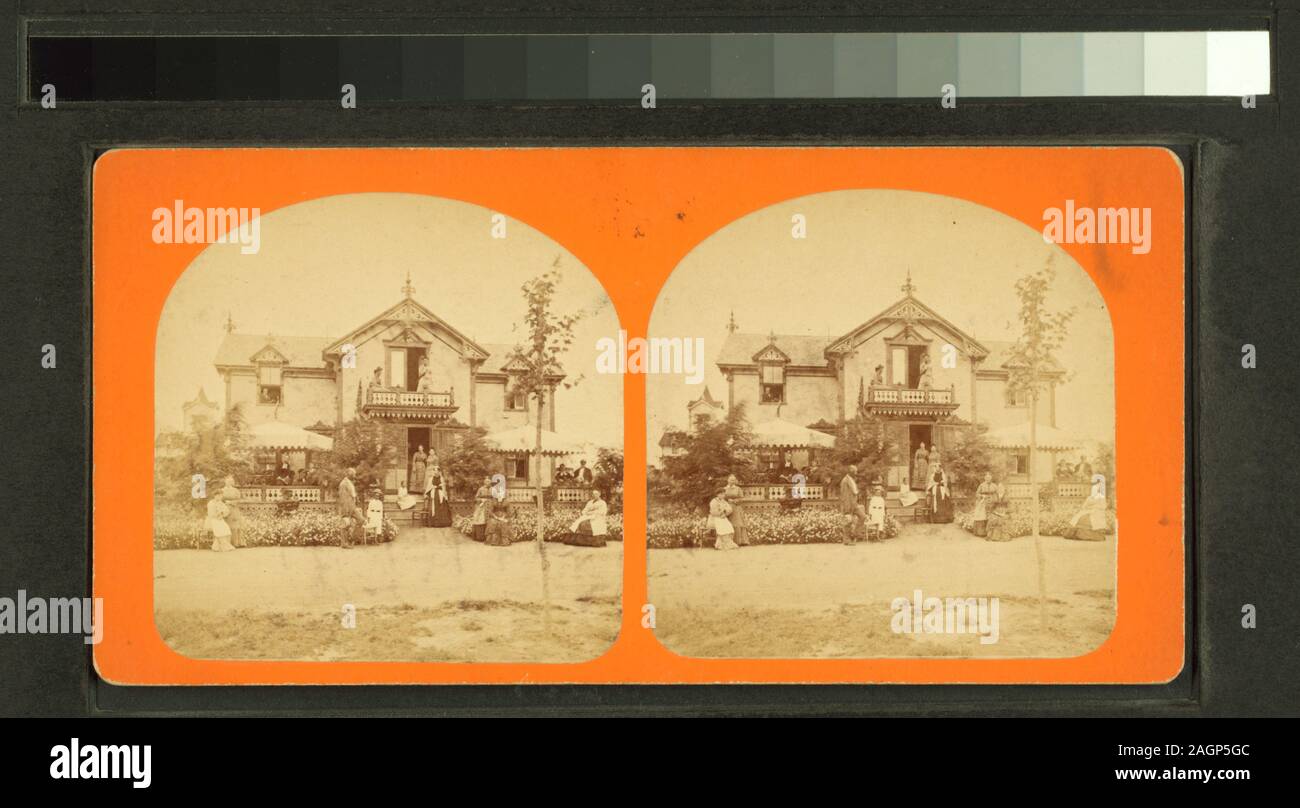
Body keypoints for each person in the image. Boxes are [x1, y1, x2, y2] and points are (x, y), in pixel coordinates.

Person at [839, 465, 864, 545]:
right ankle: (847, 540)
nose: (856, 473)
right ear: (851, 472)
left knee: (863, 516)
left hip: (854, 504)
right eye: (855, 472)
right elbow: (845, 496)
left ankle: (855, 534)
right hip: (848, 505)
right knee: (848, 522)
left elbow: (854, 492)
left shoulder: (851, 480)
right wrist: (847, 509)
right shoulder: (845, 481)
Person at [336, 467, 361, 549]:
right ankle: (344, 543)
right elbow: (343, 498)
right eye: (353, 474)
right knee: (345, 524)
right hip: (346, 507)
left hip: (352, 506)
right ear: (348, 474)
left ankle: (354, 538)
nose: (354, 476)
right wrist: (346, 510)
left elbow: (353, 494)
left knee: (361, 520)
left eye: (354, 474)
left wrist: (356, 501)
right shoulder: (343, 484)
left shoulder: (350, 482)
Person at [220, 476, 245, 548]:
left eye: (230, 481)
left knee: (235, 526)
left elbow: (239, 500)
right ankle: (227, 543)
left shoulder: (235, 491)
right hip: (225, 510)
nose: (228, 483)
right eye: (227, 481)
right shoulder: (222, 490)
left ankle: (236, 543)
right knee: (226, 526)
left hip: (234, 509)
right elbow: (219, 500)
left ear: (232, 482)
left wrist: (231, 502)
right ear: (225, 482)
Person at [723, 473, 748, 546]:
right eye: (731, 480)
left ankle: (739, 541)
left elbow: (742, 498)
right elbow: (721, 498)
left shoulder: (738, 489)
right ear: (727, 480)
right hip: (726, 508)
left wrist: (734, 501)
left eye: (733, 480)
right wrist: (726, 502)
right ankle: (728, 541)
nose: (732, 481)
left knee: (737, 523)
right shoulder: (724, 489)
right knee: (727, 524)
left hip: (736, 508)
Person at [972, 472, 999, 537]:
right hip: (983, 502)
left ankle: (991, 532)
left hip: (992, 502)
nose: (988, 479)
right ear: (985, 478)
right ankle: (982, 532)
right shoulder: (981, 485)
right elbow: (977, 494)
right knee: (983, 515)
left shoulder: (994, 486)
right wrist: (982, 496)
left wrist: (995, 499)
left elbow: (998, 493)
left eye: (989, 477)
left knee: (992, 515)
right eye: (987, 477)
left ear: (991, 478)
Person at [470, 476, 492, 542]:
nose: (488, 483)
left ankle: (490, 537)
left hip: (491, 505)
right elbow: (476, 498)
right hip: (482, 506)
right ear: (484, 482)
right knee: (481, 520)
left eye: (489, 481)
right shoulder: (481, 489)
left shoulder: (493, 489)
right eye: (486, 481)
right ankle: (481, 537)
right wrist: (481, 500)